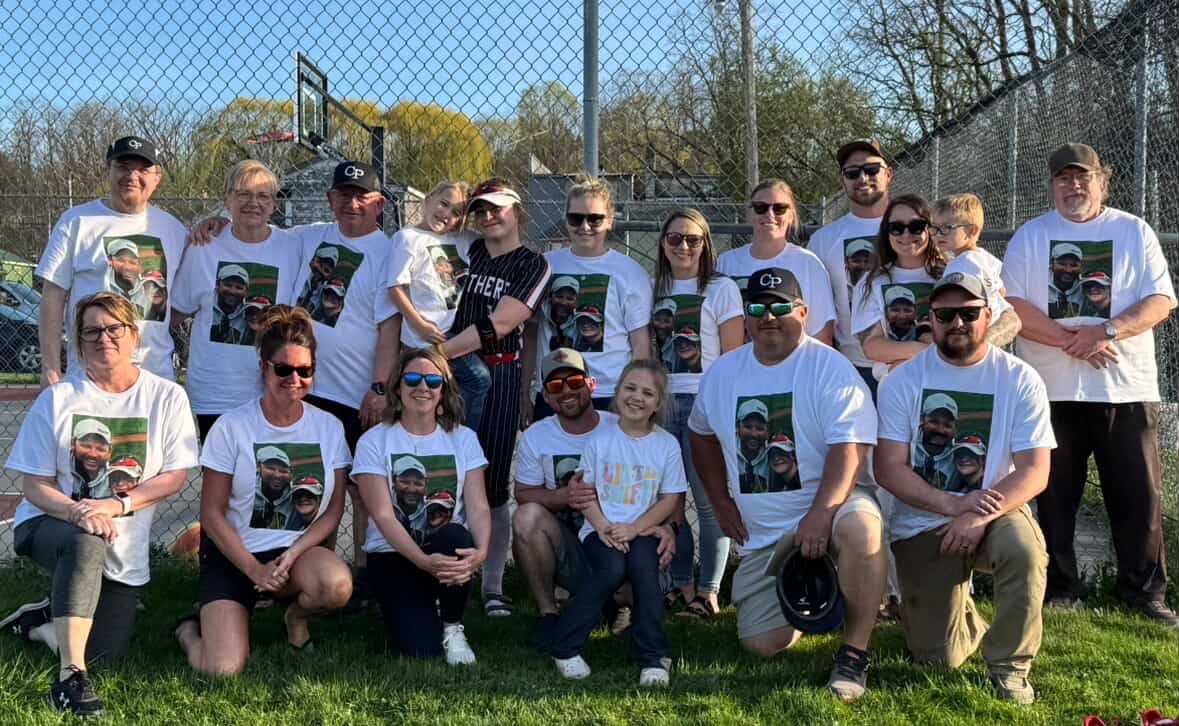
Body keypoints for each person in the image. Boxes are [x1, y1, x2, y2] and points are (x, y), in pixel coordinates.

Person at [688, 267, 885, 703]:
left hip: (832, 509)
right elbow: (700, 434)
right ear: (745, 316)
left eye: (780, 307)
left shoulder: (829, 366)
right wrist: (720, 500)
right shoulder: (724, 372)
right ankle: (819, 592)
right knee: (762, 644)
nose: (768, 317)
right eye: (757, 308)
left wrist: (821, 514)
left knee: (862, 529)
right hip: (767, 538)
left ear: (803, 312)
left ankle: (854, 653)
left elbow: (851, 448)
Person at [1001, 143, 1178, 626]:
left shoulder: (1133, 231)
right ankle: (1060, 588)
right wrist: (1071, 339)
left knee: (1138, 496)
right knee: (1054, 496)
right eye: (1064, 178)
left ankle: (1144, 593)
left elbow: (1161, 301)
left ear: (1103, 181)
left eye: (1083, 177)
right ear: (1052, 185)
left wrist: (1106, 331)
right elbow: (1013, 306)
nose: (1073, 186)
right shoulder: (1031, 236)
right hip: (1049, 390)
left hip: (1125, 388)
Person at [3, 292, 198, 716]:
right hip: (50, 522)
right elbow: (35, 485)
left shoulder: (166, 397)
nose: (103, 338)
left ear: (134, 335)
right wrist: (78, 511)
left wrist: (116, 505)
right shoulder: (59, 398)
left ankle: (42, 623)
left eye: (113, 329)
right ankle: (69, 680)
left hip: (122, 540)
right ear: (78, 341)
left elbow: (175, 476)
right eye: (91, 331)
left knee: (106, 654)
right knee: (85, 541)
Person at [875, 271, 1056, 704]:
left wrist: (976, 514)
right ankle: (963, 617)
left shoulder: (1019, 378)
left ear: (988, 316)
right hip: (923, 521)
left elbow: (1035, 471)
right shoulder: (902, 380)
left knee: (1024, 551)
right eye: (945, 314)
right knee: (938, 659)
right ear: (930, 320)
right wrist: (954, 505)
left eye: (969, 313)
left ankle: (1010, 667)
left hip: (995, 510)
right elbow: (888, 469)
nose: (958, 322)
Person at [175, 305, 353, 675]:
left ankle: (295, 619)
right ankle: (188, 631)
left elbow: (334, 510)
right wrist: (255, 570)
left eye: (305, 370)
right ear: (264, 368)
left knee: (336, 585)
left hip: (295, 556)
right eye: (283, 369)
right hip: (234, 556)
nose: (294, 379)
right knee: (222, 669)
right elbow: (211, 514)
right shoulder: (231, 427)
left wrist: (293, 553)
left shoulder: (330, 428)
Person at [441, 178, 551, 617]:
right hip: (451, 374)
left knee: (492, 479)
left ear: (517, 211)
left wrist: (438, 353)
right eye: (481, 210)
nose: (489, 217)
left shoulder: (533, 264)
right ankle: (447, 573)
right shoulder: (469, 249)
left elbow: (501, 324)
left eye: (497, 208)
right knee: (446, 472)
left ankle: (492, 584)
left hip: (499, 371)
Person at [549, 360, 687, 687]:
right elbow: (585, 494)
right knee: (610, 568)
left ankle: (653, 654)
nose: (637, 397)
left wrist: (635, 529)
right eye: (630, 388)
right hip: (601, 530)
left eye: (648, 393)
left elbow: (670, 499)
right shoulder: (600, 442)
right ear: (617, 392)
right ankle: (565, 647)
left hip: (644, 529)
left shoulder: (667, 445)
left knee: (643, 566)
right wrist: (603, 527)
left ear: (658, 403)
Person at [352, 347, 491, 665]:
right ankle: (420, 606)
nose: (423, 387)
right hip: (393, 555)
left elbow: (479, 506)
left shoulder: (464, 438)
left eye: (433, 381)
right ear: (397, 387)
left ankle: (453, 626)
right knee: (421, 650)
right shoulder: (374, 441)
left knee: (456, 535)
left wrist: (482, 552)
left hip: (444, 548)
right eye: (413, 379)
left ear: (444, 389)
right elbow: (383, 515)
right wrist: (423, 562)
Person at [648, 208, 744, 620]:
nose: (683, 246)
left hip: (705, 402)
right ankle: (681, 584)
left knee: (708, 501)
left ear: (706, 244)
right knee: (669, 502)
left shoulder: (721, 289)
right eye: (675, 238)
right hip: (662, 404)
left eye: (692, 239)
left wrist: (722, 408)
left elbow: (733, 356)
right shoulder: (653, 287)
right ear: (662, 244)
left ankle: (709, 592)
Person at [36, 136, 188, 386]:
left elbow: (186, 298)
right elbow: (53, 295)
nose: (132, 176)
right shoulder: (76, 221)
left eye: (143, 169)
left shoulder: (174, 230)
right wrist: (50, 368)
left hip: (154, 376)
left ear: (157, 178)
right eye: (123, 167)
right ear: (108, 170)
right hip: (88, 377)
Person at [171, 160, 303, 441]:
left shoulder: (294, 246)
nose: (253, 203)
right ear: (227, 200)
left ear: (274, 204)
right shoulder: (203, 246)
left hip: (271, 389)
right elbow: (177, 311)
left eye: (263, 196)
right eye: (243, 194)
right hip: (214, 392)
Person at [512, 348, 623, 649]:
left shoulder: (619, 427)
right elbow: (523, 494)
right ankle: (548, 613)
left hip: (618, 541)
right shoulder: (537, 435)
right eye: (555, 386)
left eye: (574, 382)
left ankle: (619, 603)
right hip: (570, 547)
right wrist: (564, 496)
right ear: (546, 397)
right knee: (525, 517)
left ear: (591, 384)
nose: (566, 392)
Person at [526, 176, 652, 420]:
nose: (585, 226)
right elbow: (532, 332)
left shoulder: (630, 272)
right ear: (566, 220)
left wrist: (632, 395)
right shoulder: (544, 265)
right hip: (555, 390)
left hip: (609, 392)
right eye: (576, 218)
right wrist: (525, 392)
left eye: (595, 219)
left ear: (610, 221)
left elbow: (640, 344)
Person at [387, 181, 491, 430]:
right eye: (444, 204)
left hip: (451, 333)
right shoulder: (408, 238)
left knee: (453, 389)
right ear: (428, 199)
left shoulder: (462, 240)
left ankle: (452, 431)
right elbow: (395, 287)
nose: (446, 214)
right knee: (478, 379)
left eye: (456, 213)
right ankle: (460, 435)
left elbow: (491, 234)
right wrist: (419, 325)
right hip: (424, 337)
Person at [808, 139, 894, 393]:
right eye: (852, 173)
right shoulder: (823, 240)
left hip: (911, 362)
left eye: (872, 169)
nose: (863, 178)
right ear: (842, 180)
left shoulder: (914, 227)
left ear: (889, 174)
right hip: (851, 368)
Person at [717, 178, 836, 346]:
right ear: (750, 214)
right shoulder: (727, 262)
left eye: (779, 208)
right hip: (741, 359)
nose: (770, 214)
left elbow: (821, 336)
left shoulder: (808, 263)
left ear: (791, 215)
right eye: (761, 207)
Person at [852, 193, 946, 377]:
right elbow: (872, 347)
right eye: (896, 228)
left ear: (930, 229)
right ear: (886, 232)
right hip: (895, 383)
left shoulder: (951, 274)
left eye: (916, 227)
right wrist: (929, 352)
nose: (906, 235)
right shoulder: (872, 282)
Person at [931, 193, 1021, 346]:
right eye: (935, 227)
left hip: (980, 333)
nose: (938, 234)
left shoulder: (966, 263)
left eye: (947, 228)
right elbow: (1001, 290)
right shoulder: (981, 256)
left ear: (972, 231)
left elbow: (990, 301)